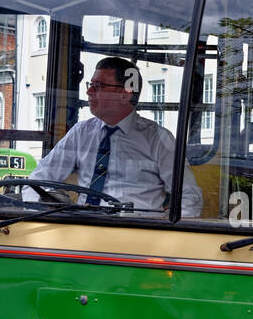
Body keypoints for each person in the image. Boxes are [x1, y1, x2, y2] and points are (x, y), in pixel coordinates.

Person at [29, 57, 202, 216]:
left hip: (136, 231)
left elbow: (189, 198)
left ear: (125, 94)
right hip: (83, 227)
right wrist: (44, 209)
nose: (89, 91)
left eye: (99, 86)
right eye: (91, 84)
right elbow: (38, 181)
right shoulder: (81, 133)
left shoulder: (157, 139)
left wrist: (160, 227)